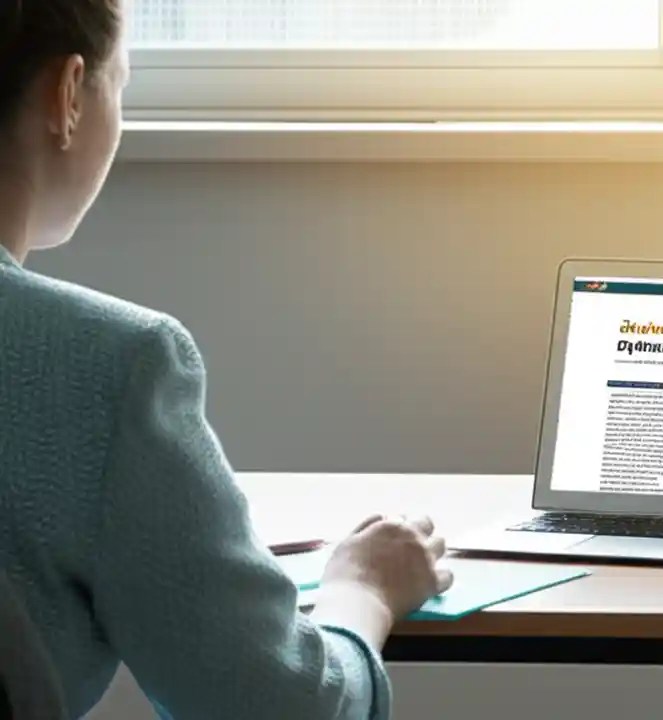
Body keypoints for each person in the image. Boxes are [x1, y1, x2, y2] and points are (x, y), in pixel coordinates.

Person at [0, 1, 452, 718]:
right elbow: (286, 708)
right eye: (123, 83)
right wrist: (363, 589)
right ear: (68, 96)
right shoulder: (110, 365)